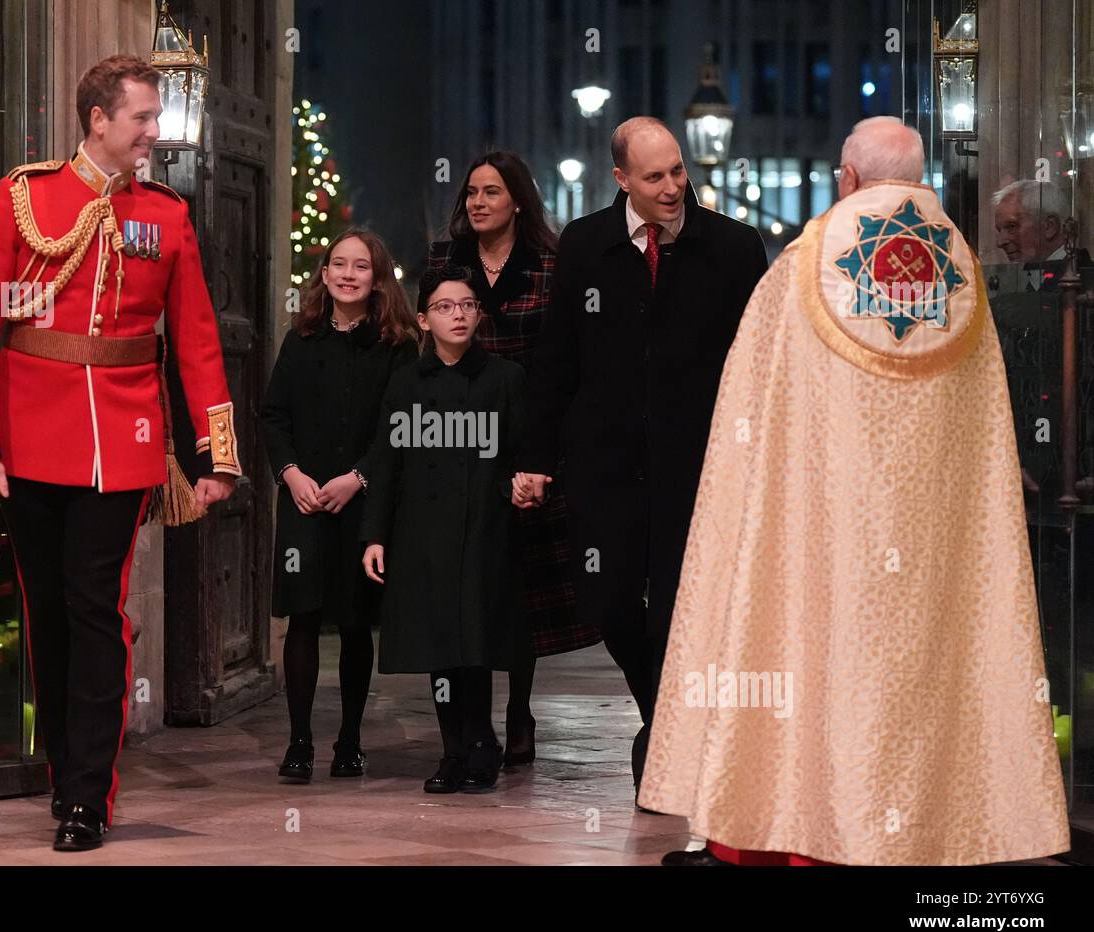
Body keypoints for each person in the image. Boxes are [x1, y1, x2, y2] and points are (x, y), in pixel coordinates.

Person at [642, 116, 1070, 866]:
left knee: (808, 651)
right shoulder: (962, 272)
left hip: (823, 527)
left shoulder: (806, 265)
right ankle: (939, 828)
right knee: (927, 666)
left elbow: (754, 411)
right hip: (937, 533)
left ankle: (790, 829)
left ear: (848, 178)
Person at [0, 54, 241, 851]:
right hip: (30, 432)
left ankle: (87, 797)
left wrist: (217, 455)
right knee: (47, 612)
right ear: (99, 120)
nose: (155, 132)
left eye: (156, 117)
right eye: (143, 118)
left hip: (123, 440)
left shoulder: (167, 214)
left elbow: (198, 340)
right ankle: (62, 767)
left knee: (95, 610)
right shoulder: (24, 197)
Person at [514, 117, 767, 796]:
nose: (673, 187)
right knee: (612, 603)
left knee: (681, 607)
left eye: (678, 171)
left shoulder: (737, 249)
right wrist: (534, 458)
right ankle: (662, 717)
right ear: (621, 178)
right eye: (654, 176)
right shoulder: (585, 245)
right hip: (604, 464)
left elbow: (761, 367)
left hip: (701, 465)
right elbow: (556, 358)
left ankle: (663, 738)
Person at [427, 150, 598, 767]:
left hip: (530, 438)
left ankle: (518, 707)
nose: (477, 202)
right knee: (469, 580)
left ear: (517, 200)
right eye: (470, 192)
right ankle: (469, 724)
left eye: (491, 192)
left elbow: (572, 357)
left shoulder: (553, 266)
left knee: (524, 583)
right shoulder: (445, 264)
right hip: (458, 434)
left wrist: (549, 450)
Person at [360, 265, 526, 794]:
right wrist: (375, 535)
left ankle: (480, 741)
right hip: (421, 533)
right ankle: (452, 749)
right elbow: (386, 462)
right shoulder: (406, 381)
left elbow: (524, 454)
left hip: (483, 530)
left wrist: (521, 486)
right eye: (445, 307)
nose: (458, 314)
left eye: (467, 305)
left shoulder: (505, 379)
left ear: (479, 313)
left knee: (473, 642)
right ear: (424, 320)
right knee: (439, 648)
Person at [261, 227, 418, 782]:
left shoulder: (397, 347)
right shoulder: (299, 341)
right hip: (304, 500)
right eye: (338, 265)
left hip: (360, 503)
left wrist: (359, 478)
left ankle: (349, 739)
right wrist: (291, 474)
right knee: (302, 618)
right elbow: (273, 416)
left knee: (354, 624)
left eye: (361, 266)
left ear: (377, 279)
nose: (349, 274)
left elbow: (397, 426)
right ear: (324, 275)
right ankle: (299, 741)